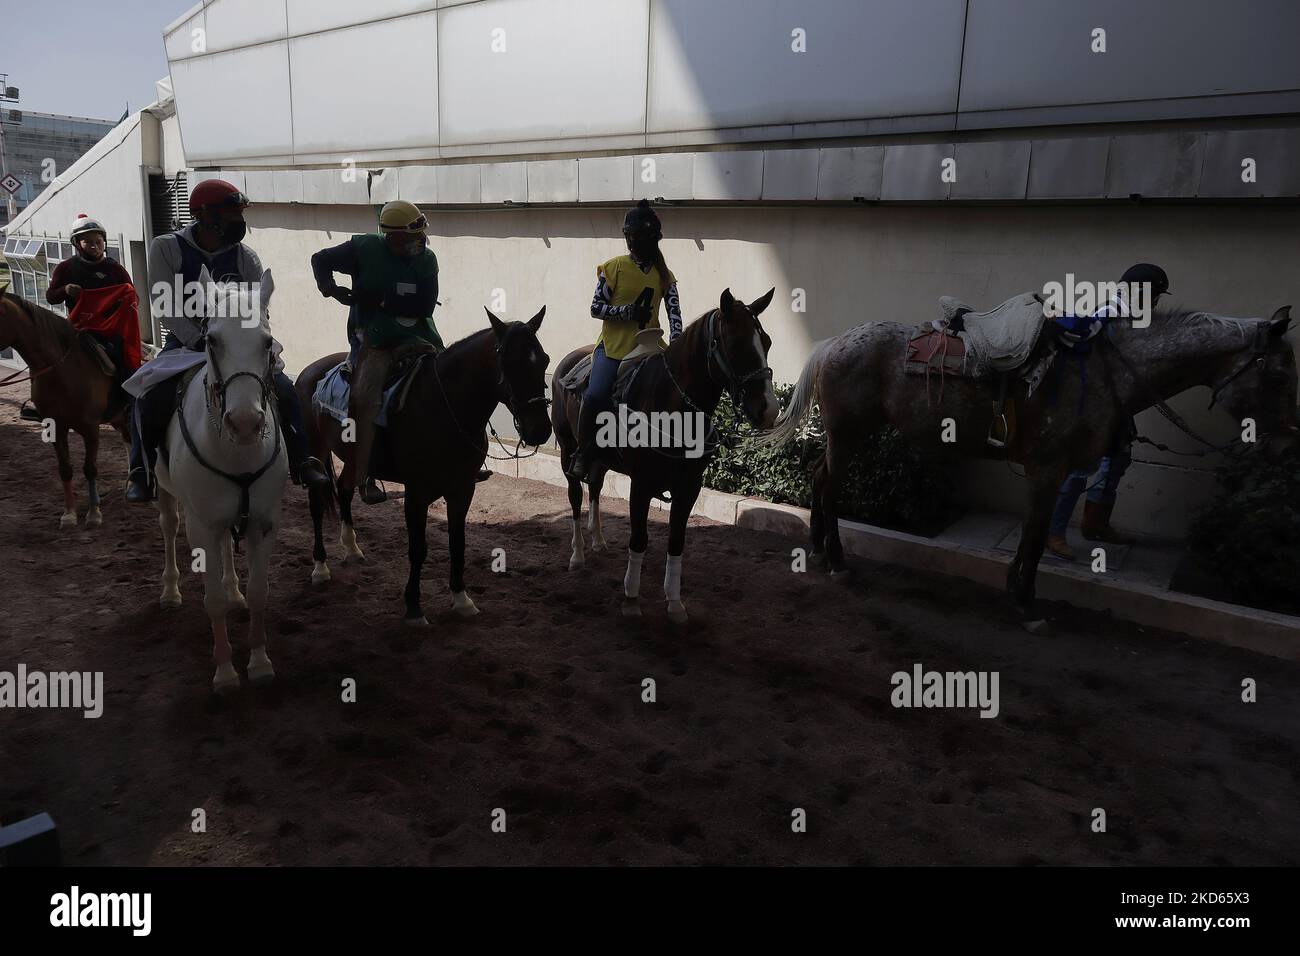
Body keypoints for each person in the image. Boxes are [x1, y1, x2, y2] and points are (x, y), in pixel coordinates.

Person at [126, 179, 330, 502]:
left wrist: (245, 344)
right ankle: (141, 469)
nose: (239, 221)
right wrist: (200, 339)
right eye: (231, 213)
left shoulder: (247, 259)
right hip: (185, 346)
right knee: (148, 397)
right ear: (205, 214)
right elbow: (164, 306)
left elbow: (255, 311)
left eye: (239, 213)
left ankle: (302, 460)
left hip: (237, 349)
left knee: (286, 390)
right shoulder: (166, 248)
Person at [311, 200, 445, 504]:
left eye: (422, 236)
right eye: (413, 238)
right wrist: (330, 288)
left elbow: (425, 306)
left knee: (450, 383)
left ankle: (459, 459)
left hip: (421, 337)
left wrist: (381, 299)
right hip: (373, 340)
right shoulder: (364, 249)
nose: (419, 242)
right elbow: (320, 259)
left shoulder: (427, 260)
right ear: (391, 236)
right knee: (366, 397)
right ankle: (363, 470)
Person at [1046, 263, 1170, 560]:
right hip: (1093, 405)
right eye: (1154, 296)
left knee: (1117, 460)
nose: (1155, 303)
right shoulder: (1109, 315)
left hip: (1116, 405)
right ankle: (1054, 533)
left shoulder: (1131, 316)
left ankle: (1095, 524)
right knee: (1079, 469)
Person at [567, 199, 684, 481]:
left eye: (638, 238)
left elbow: (674, 314)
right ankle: (583, 452)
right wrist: (627, 312)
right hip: (614, 348)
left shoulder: (665, 275)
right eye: (631, 237)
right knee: (595, 395)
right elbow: (596, 308)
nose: (633, 243)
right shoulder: (614, 267)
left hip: (652, 348)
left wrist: (678, 343)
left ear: (651, 239)